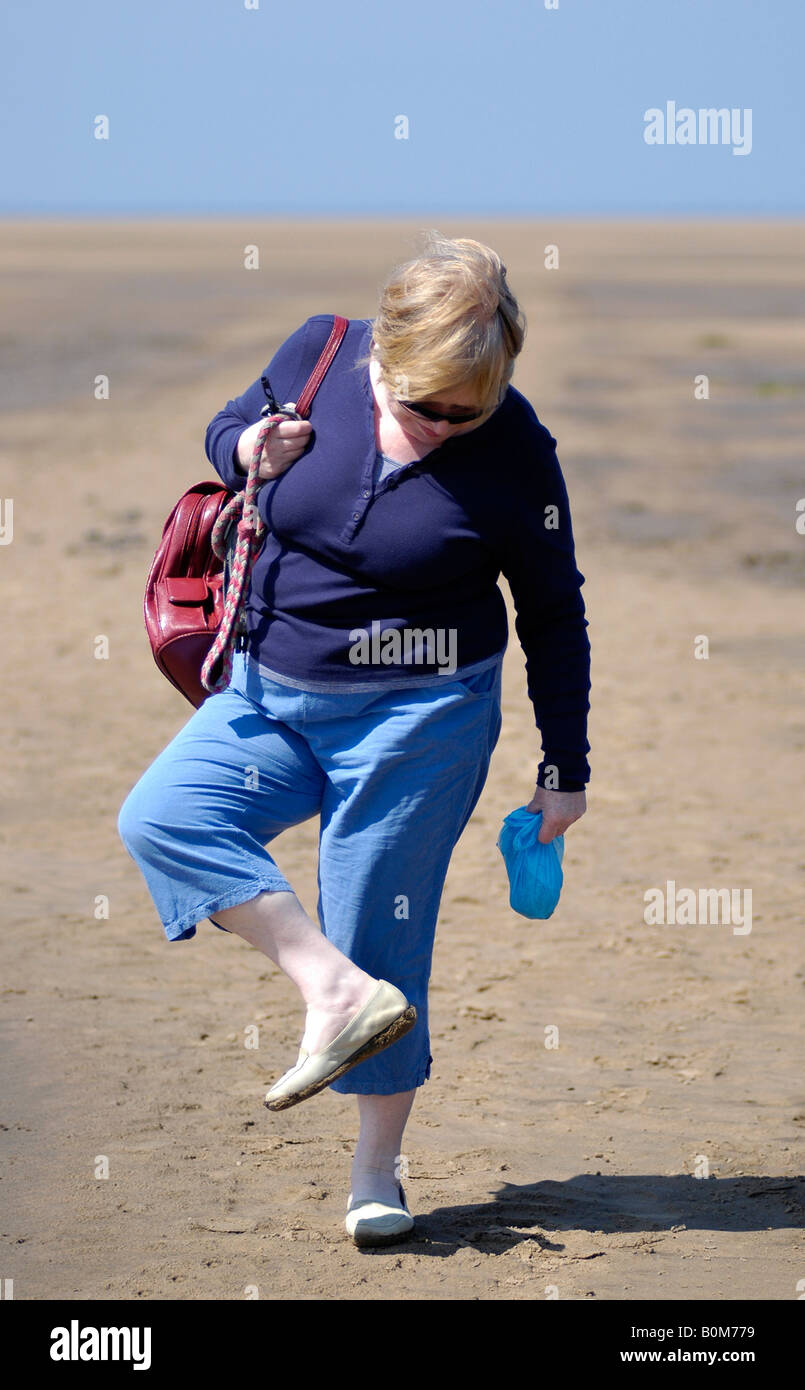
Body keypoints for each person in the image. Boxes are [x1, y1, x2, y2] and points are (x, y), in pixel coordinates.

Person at [118, 231, 590, 1248]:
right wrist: (244, 450)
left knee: (380, 921)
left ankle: (377, 1168)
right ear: (386, 356)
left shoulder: (515, 450)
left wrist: (563, 768)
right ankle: (329, 988)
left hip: (420, 718)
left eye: (470, 408)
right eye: (426, 405)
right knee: (165, 816)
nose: (445, 426)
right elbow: (225, 424)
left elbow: (554, 611)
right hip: (270, 693)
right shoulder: (318, 354)